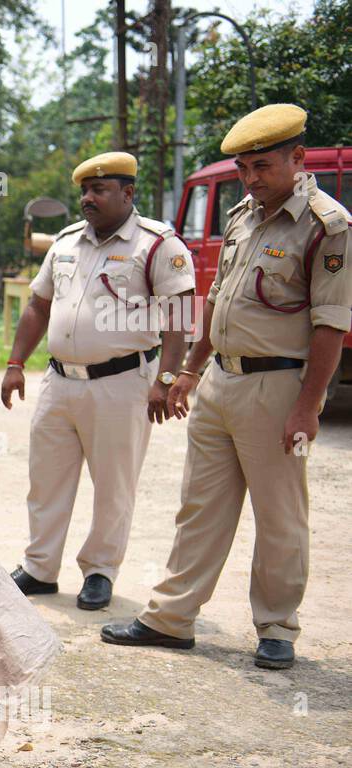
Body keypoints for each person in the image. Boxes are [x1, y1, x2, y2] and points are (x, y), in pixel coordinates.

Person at [103, 104, 352, 670]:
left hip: (278, 388)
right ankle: (171, 618)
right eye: (243, 168)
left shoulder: (327, 225)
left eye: (262, 166)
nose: (251, 178)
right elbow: (215, 301)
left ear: (297, 158)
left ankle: (277, 627)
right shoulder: (243, 215)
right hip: (220, 381)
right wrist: (189, 370)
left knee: (279, 513)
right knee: (200, 506)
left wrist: (308, 408)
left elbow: (331, 325)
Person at [0, 152, 195, 611]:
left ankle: (100, 571)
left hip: (123, 381)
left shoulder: (158, 244)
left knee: (114, 484)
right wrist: (14, 362)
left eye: (100, 190)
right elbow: (38, 305)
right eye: (85, 190)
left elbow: (182, 317)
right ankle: (39, 567)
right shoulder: (66, 242)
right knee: (45, 479)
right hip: (59, 380)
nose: (88, 198)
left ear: (128, 193)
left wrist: (166, 377)